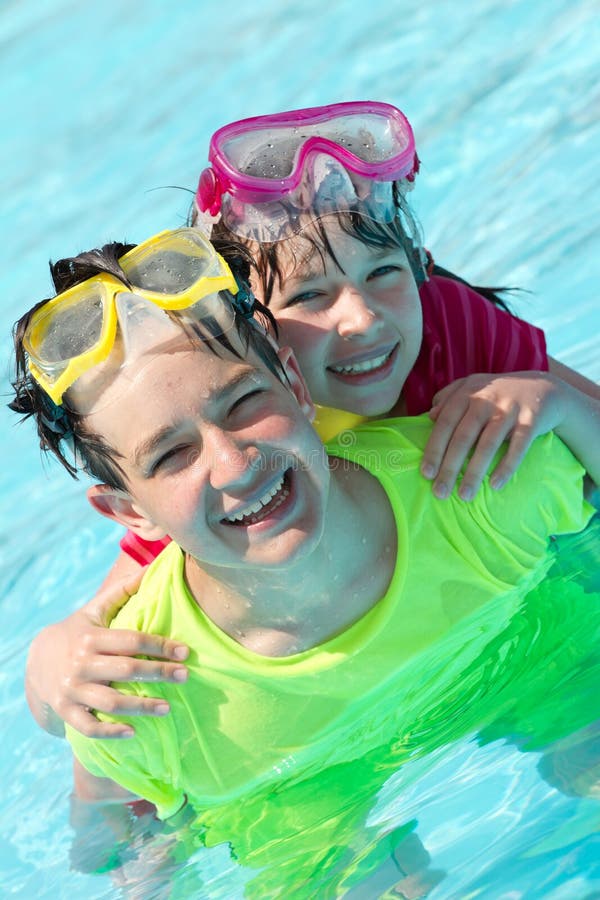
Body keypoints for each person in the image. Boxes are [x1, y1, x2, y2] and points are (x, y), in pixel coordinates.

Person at [24, 101, 600, 740]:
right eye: (308, 295)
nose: (363, 318)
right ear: (253, 334)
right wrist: (49, 661)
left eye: (383, 272)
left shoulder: (447, 325)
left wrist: (554, 399)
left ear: (419, 265)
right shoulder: (242, 442)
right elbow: (117, 606)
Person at [11, 226, 593, 820]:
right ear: (132, 512)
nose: (236, 465)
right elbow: (110, 832)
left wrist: (562, 404)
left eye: (243, 403)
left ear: (295, 384)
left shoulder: (481, 481)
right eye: (172, 455)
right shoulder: (141, 689)